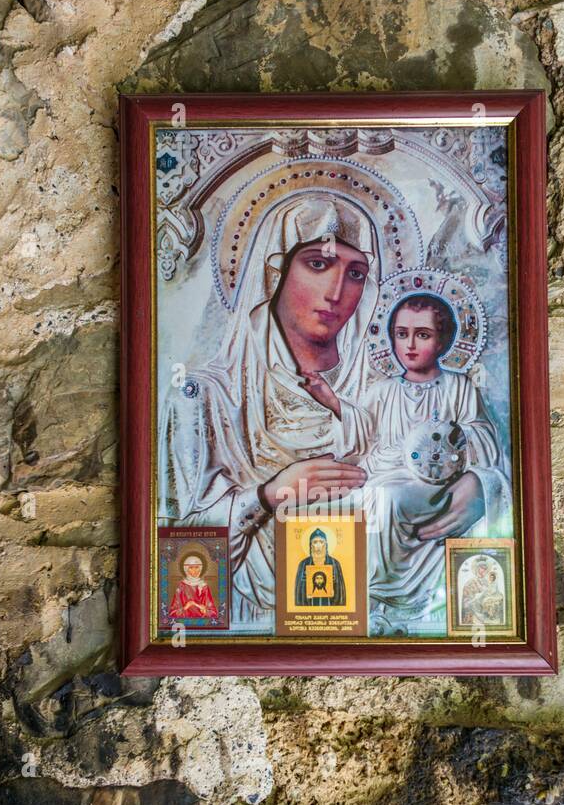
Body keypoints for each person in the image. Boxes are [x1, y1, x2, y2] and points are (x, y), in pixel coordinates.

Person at [158, 197, 376, 631]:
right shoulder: (202, 398)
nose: (337, 292)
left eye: (355, 274)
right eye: (317, 264)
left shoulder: (378, 395)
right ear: (274, 273)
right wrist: (268, 495)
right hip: (247, 623)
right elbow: (180, 550)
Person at [303, 293, 511, 631]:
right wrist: (331, 401)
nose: (410, 344)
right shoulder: (383, 390)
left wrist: (452, 437)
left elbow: (484, 437)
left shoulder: (457, 387)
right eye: (402, 334)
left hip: (430, 485)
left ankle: (383, 590)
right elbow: (361, 432)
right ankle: (354, 596)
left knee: (388, 500)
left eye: (423, 335)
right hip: (382, 474)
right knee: (346, 504)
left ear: (443, 341)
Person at [294, 528, 346, 606]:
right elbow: (298, 591)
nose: (318, 546)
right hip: (308, 613)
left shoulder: (335, 564)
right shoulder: (303, 564)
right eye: (315, 542)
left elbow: (341, 591)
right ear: (310, 545)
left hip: (331, 611)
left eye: (321, 542)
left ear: (326, 545)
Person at [168, 553, 218, 620]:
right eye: (191, 567)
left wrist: (204, 610)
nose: (194, 570)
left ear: (200, 568)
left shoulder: (204, 587)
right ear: (186, 569)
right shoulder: (181, 587)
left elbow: (213, 613)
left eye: (197, 567)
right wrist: (186, 607)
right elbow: (172, 614)